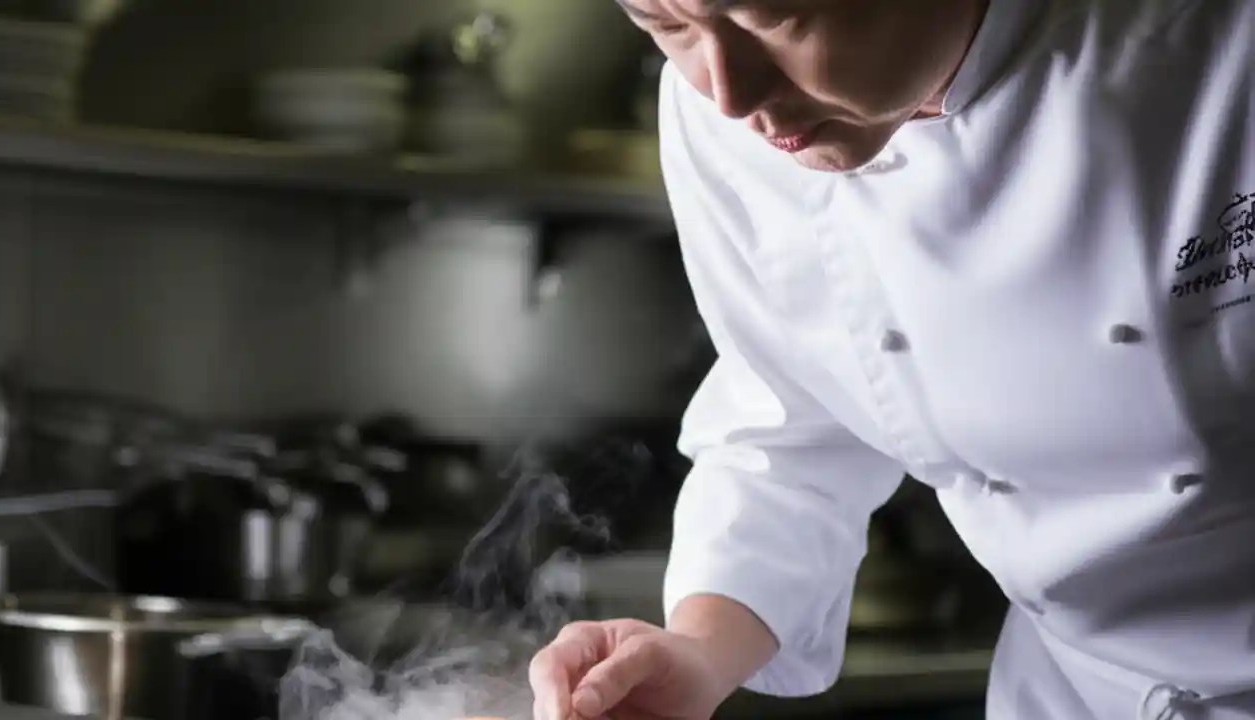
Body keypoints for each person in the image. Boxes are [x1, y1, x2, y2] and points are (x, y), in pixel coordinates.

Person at [530, 0, 1255, 718]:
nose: (731, 93)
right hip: (1075, 699)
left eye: (773, 16)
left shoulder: (1226, 52)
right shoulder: (718, 124)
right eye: (668, 26)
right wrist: (695, 652)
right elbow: (793, 418)